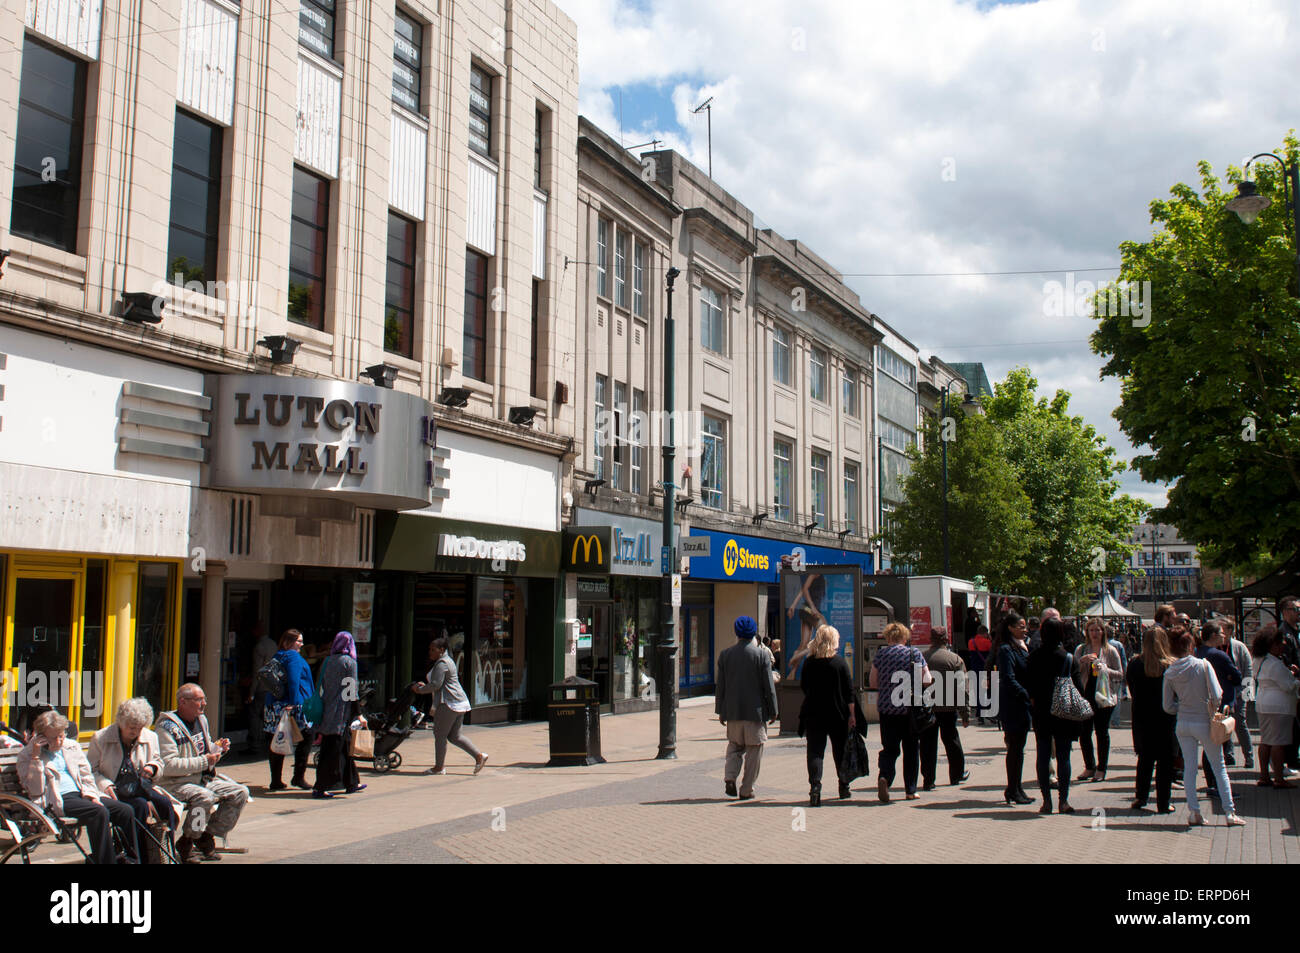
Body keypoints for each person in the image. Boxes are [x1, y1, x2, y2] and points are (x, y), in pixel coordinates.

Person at [18, 710, 139, 864]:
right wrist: (35, 758)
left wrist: (91, 795)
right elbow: (35, 790)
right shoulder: (27, 755)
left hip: (82, 794)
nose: (60, 741)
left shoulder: (71, 746)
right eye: (54, 738)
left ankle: (132, 860)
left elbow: (86, 776)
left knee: (125, 810)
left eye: (62, 735)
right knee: (99, 812)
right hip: (57, 798)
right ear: (41, 737)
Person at [1162, 627, 1245, 827]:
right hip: (1204, 720)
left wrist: (1181, 706)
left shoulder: (1170, 671)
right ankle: (1229, 812)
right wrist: (1209, 707)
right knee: (1219, 766)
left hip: (1183, 722)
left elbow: (1167, 706)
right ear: (1191, 645)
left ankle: (1194, 812)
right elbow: (1217, 695)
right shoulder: (1203, 665)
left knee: (1190, 768)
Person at [158, 683, 249, 862]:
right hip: (176, 783)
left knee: (240, 792)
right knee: (204, 797)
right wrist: (204, 761)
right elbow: (168, 765)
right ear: (183, 702)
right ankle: (188, 842)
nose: (204, 704)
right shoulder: (166, 728)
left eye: (204, 699)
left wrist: (218, 750)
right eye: (199, 700)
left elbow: (204, 753)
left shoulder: (201, 720)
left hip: (202, 778)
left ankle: (205, 836)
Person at [88, 697, 180, 861]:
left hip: (140, 786)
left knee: (166, 805)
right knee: (140, 807)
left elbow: (158, 761)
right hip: (114, 790)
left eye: (139, 728)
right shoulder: (100, 738)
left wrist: (152, 768)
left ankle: (167, 851)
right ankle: (139, 855)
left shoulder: (150, 736)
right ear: (121, 723)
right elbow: (90, 771)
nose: (135, 732)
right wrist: (106, 785)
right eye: (131, 728)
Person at [797, 624, 865, 805]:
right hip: (838, 714)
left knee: (815, 751)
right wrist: (852, 715)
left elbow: (804, 686)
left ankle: (815, 787)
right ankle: (844, 786)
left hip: (814, 713)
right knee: (840, 750)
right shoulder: (840, 663)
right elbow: (849, 692)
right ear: (834, 641)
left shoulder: (809, 663)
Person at [715, 615, 779, 800]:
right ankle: (746, 789)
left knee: (734, 747)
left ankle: (729, 777)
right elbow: (769, 686)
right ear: (753, 633)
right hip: (755, 713)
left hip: (733, 711)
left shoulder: (725, 655)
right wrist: (773, 710)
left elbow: (721, 686)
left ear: (737, 632)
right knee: (754, 750)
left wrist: (720, 710)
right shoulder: (761, 655)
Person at [869, 621, 930, 802]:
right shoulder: (914, 653)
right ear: (905, 637)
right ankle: (910, 790)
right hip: (910, 710)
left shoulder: (880, 655)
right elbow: (927, 678)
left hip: (887, 710)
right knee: (911, 749)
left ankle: (884, 777)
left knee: (889, 748)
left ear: (888, 637)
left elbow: (873, 683)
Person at [415, 634, 488, 775]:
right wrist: (425, 686)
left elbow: (436, 685)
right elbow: (438, 683)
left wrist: (418, 690)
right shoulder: (447, 660)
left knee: (440, 735)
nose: (430, 652)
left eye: (433, 650)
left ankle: (439, 767)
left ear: (441, 650)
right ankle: (479, 756)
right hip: (459, 701)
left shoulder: (442, 663)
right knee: (455, 736)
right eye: (430, 649)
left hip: (449, 703)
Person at [1025, 617, 1077, 814]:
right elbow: (1078, 686)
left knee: (1043, 755)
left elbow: (1028, 684)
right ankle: (1064, 801)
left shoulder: (1034, 657)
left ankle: (1046, 801)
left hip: (1042, 712)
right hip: (1063, 712)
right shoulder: (1068, 658)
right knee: (1064, 757)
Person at [1125, 626, 1176, 813]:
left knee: (1145, 760)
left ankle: (1141, 797)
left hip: (1142, 717)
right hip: (1166, 718)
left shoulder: (1135, 664)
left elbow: (1131, 689)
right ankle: (1163, 802)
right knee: (1165, 762)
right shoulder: (1171, 665)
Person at [314, 632, 369, 799]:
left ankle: (352, 782)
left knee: (343, 747)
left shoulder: (327, 661)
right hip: (341, 713)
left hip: (327, 708)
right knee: (333, 749)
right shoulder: (349, 662)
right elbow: (350, 691)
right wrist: (358, 714)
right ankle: (321, 787)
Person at [1195, 621, 1243, 800]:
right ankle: (1217, 786)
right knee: (1217, 745)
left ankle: (1211, 784)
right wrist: (1230, 677)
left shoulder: (1198, 653)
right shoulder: (1219, 655)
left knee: (1210, 744)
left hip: (1204, 704)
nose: (1224, 636)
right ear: (1213, 636)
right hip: (1222, 705)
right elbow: (1237, 677)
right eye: (1222, 633)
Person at [264, 628, 315, 791]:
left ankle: (276, 780)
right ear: (289, 642)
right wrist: (293, 702)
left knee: (277, 739)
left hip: (273, 705)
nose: (301, 644)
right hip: (293, 704)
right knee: (306, 738)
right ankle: (298, 777)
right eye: (299, 641)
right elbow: (294, 680)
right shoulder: (293, 656)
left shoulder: (277, 655)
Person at [1073, 618, 1123, 782]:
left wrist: (1105, 669)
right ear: (1087, 632)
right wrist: (1081, 661)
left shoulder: (1111, 650)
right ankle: (1089, 766)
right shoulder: (1081, 649)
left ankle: (1102, 768)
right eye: (1091, 630)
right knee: (1084, 733)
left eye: (1097, 630)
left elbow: (1121, 674)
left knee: (1102, 732)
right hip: (1085, 695)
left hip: (1103, 696)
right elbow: (1073, 671)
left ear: (1103, 632)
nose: (1094, 633)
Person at [920, 627, 969, 789]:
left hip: (927, 709)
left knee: (928, 744)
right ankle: (956, 775)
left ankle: (928, 780)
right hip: (948, 708)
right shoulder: (954, 659)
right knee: (951, 741)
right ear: (946, 639)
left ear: (930, 638)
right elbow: (962, 689)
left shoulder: (922, 658)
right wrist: (965, 713)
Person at [1251, 625, 1299, 788]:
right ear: (1272, 645)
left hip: (1263, 702)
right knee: (1278, 742)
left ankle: (1264, 776)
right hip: (1279, 705)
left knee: (1266, 741)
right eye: (1279, 643)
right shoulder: (1276, 664)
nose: (1282, 646)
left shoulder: (1258, 660)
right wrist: (1294, 677)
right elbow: (1288, 686)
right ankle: (1279, 778)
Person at [995, 612, 1034, 805]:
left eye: (1025, 626)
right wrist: (1027, 695)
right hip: (1014, 706)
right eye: (1021, 626)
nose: (1025, 629)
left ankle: (1017, 788)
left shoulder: (1023, 647)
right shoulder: (1006, 649)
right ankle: (1013, 789)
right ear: (1010, 628)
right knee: (1015, 749)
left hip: (1022, 705)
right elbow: (1008, 678)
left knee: (1019, 749)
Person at [1221, 617, 1254, 769]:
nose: (1220, 632)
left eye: (1222, 629)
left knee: (1240, 723)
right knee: (1224, 724)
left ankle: (1249, 756)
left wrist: (1247, 694)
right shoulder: (1217, 647)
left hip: (1239, 692)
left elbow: (1248, 670)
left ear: (1229, 630)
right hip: (1223, 693)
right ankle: (1229, 755)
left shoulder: (1239, 647)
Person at [244, 623, 277, 754]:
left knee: (255, 715)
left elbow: (257, 671)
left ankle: (255, 745)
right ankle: (271, 742)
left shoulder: (259, 647)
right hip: (272, 686)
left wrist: (251, 692)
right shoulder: (273, 644)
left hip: (262, 687)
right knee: (268, 715)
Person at [786, 573, 827, 677]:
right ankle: (797, 655)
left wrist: (793, 605)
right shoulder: (815, 573)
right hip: (810, 609)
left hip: (807, 609)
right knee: (826, 635)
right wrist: (813, 607)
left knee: (804, 643)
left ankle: (792, 673)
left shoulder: (817, 575)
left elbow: (803, 589)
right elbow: (804, 589)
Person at [968, 624, 993, 725]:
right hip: (985, 670)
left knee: (978, 692)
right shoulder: (987, 642)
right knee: (987, 692)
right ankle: (987, 712)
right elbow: (991, 653)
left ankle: (979, 715)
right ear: (985, 633)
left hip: (974, 670)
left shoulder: (971, 642)